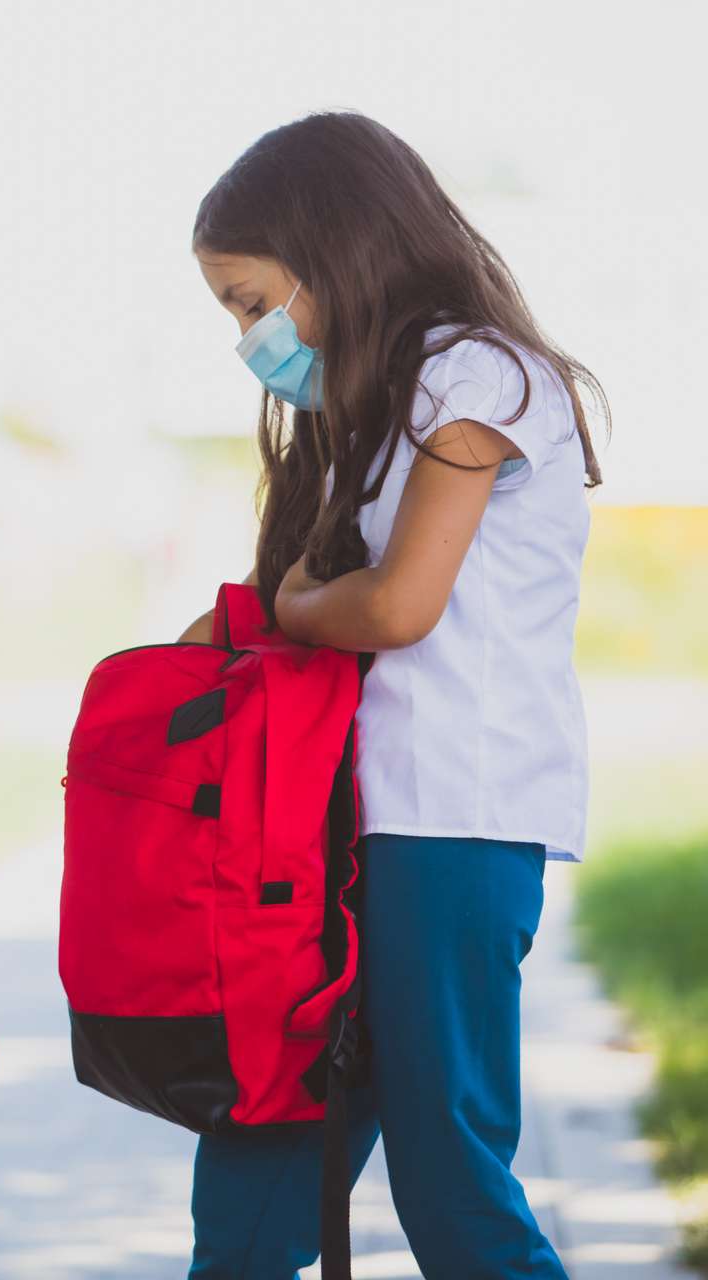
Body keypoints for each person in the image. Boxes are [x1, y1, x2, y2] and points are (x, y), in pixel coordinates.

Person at [182, 111, 607, 1278]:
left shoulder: (483, 377)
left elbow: (396, 605)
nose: (244, 335)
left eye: (248, 299)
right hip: (348, 833)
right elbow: (299, 599)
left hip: (453, 824)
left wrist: (310, 608)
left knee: (449, 1185)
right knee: (258, 1174)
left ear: (335, 255)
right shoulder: (369, 411)